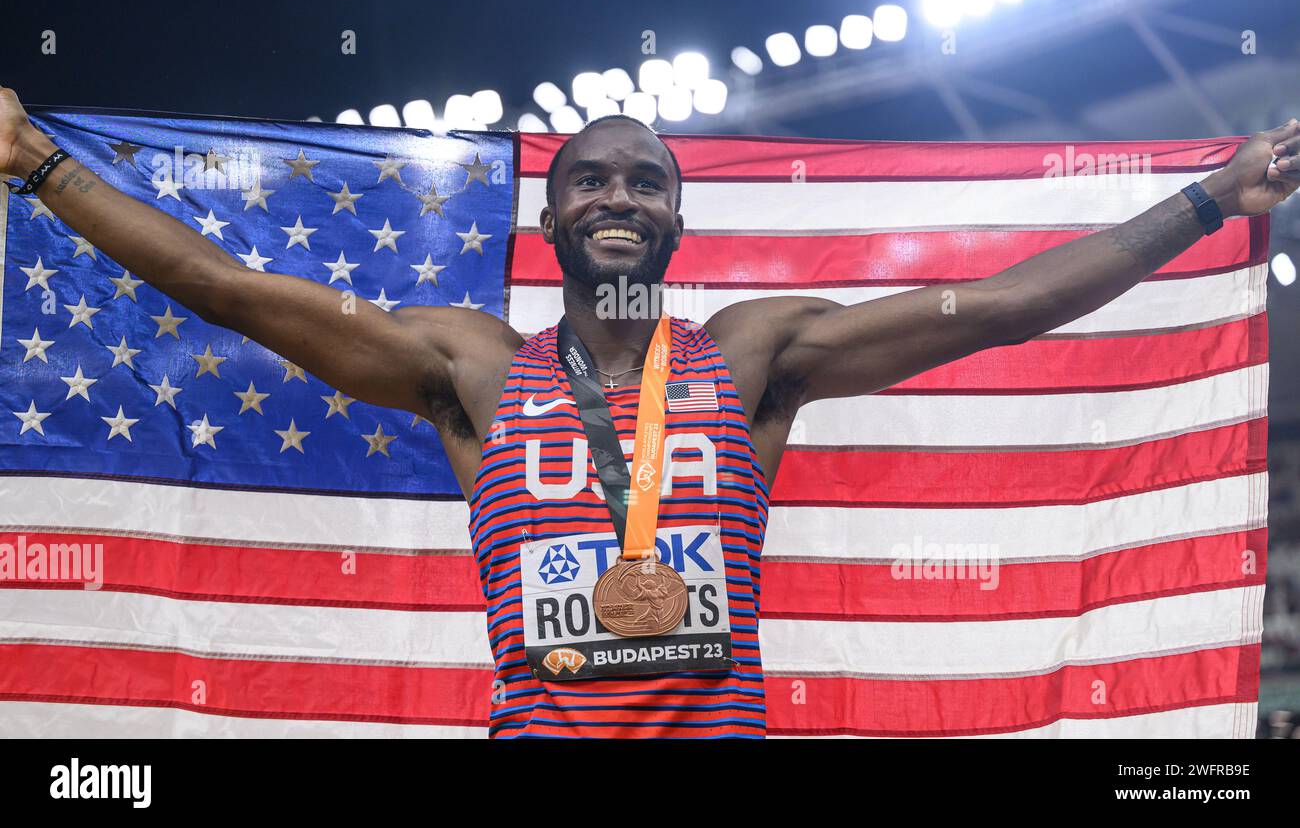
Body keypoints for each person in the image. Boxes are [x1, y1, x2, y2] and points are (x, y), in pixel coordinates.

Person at [2, 88, 1296, 737]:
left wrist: (1204, 201)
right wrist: (40, 161)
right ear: (552, 217)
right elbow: (224, 288)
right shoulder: (471, 368)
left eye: (648, 180)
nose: (619, 195)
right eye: (590, 180)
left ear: (681, 216)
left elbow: (997, 305)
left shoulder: (753, 355)